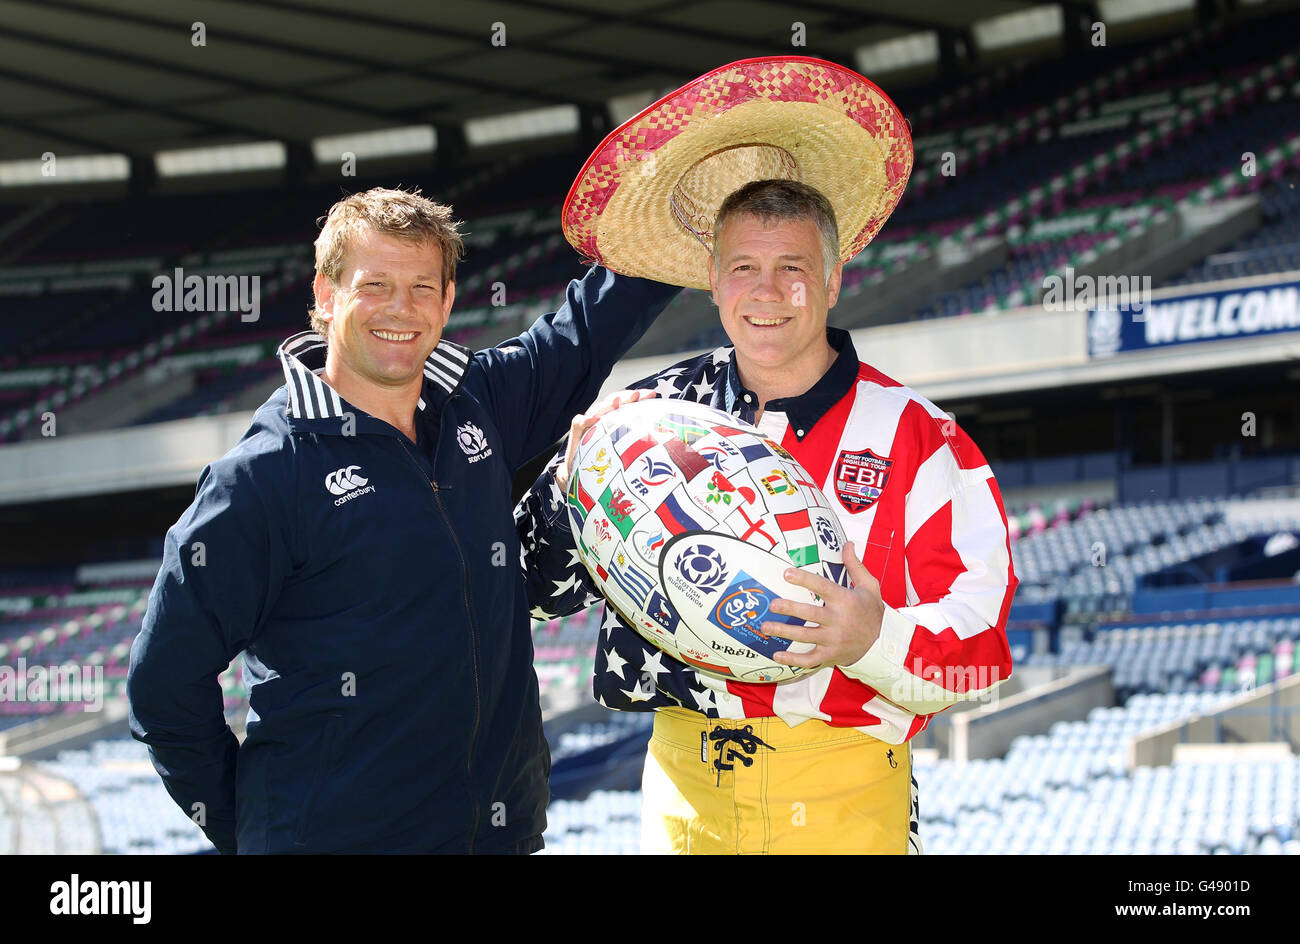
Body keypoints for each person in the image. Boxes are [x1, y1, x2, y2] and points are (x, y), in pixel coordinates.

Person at [515, 58, 1018, 854]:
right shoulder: (642, 419)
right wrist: (570, 491)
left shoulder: (923, 441)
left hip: (845, 796)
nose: (767, 291)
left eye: (793, 269)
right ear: (713, 282)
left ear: (834, 278)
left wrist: (871, 639)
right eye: (744, 268)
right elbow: (533, 595)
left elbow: (981, 658)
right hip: (681, 795)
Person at [127, 187, 680, 854]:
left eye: (423, 285)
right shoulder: (263, 476)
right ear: (325, 296)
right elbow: (163, 687)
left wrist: (679, 209)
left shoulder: (477, 403)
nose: (402, 307)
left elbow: (587, 330)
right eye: (375, 284)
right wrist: (256, 828)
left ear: (448, 301)